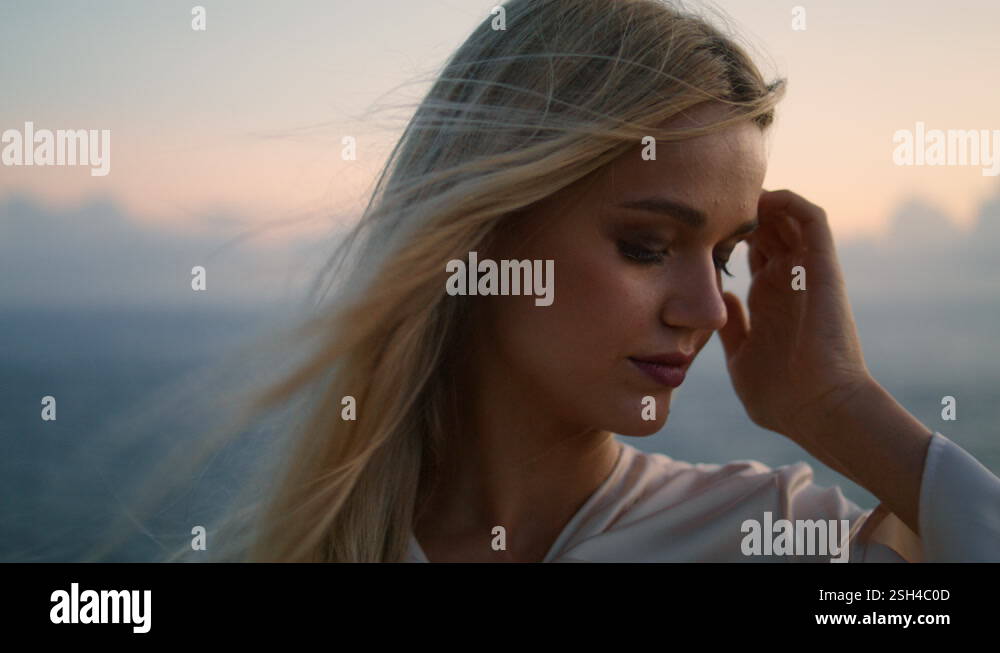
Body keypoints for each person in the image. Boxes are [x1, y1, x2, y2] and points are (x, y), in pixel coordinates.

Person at [135, 0, 999, 563]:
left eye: (726, 254)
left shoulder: (779, 538)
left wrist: (841, 407)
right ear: (483, 230)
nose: (707, 309)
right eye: (647, 245)